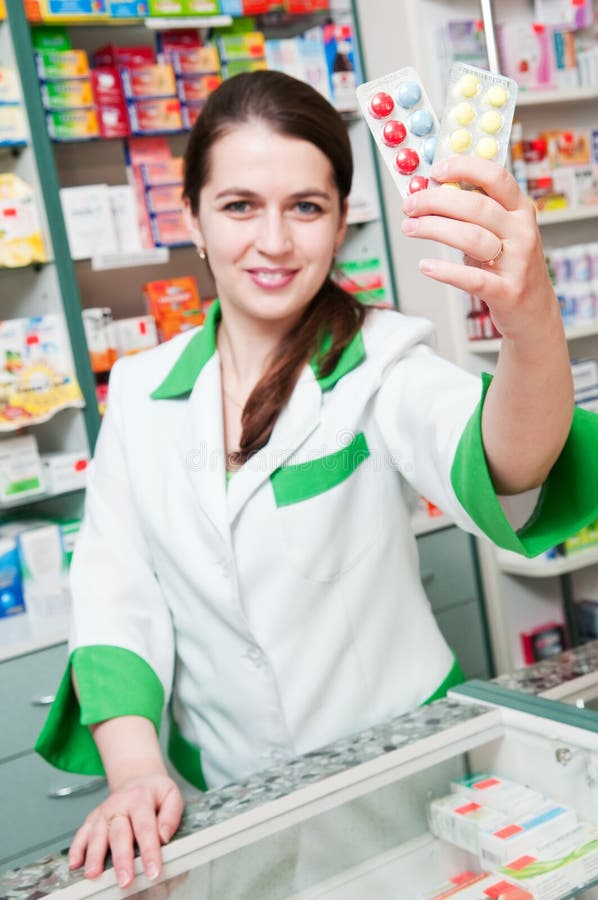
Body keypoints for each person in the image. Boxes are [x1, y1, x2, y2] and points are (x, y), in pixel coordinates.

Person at [36, 70, 597, 889]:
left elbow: (506, 461)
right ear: (191, 217)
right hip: (224, 802)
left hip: (406, 787)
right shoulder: (140, 389)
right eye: (239, 206)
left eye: (305, 207)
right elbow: (117, 591)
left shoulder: (385, 358)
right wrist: (134, 774)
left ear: (340, 221)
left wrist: (532, 321)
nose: (274, 242)